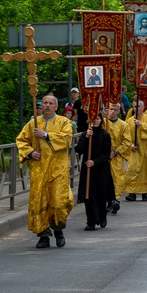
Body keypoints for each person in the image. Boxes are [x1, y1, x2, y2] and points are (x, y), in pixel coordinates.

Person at [16, 94, 73, 248]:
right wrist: (30, 153)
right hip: (39, 170)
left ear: (56, 107)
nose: (47, 106)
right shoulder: (33, 123)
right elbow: (21, 141)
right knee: (39, 201)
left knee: (59, 200)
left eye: (50, 103)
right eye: (44, 103)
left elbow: (68, 139)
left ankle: (59, 231)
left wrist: (46, 135)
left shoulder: (64, 122)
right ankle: (43, 235)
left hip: (57, 170)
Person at [74, 113, 115, 230]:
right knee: (89, 195)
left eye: (97, 118)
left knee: (101, 194)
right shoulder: (85, 134)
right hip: (88, 170)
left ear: (101, 120)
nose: (95, 121)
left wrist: (95, 162)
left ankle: (102, 216)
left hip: (100, 169)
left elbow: (106, 154)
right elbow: (79, 149)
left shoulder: (105, 135)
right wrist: (87, 137)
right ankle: (91, 221)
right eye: (93, 119)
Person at [123, 99, 147, 202]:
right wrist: (130, 144)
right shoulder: (129, 121)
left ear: (143, 107)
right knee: (132, 169)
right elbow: (125, 135)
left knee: (145, 171)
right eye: (134, 106)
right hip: (134, 150)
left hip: (146, 149)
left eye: (138, 106)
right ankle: (132, 193)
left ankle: (144, 193)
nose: (136, 108)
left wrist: (141, 124)